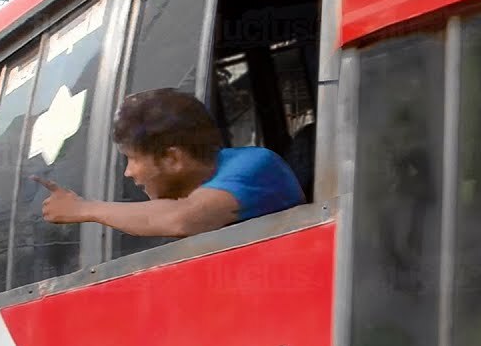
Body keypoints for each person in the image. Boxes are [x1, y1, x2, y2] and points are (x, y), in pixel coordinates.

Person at [33, 88, 305, 238]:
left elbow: (181, 219)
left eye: (133, 159)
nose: (128, 173)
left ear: (173, 158)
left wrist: (84, 209)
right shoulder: (196, 187)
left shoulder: (255, 165)